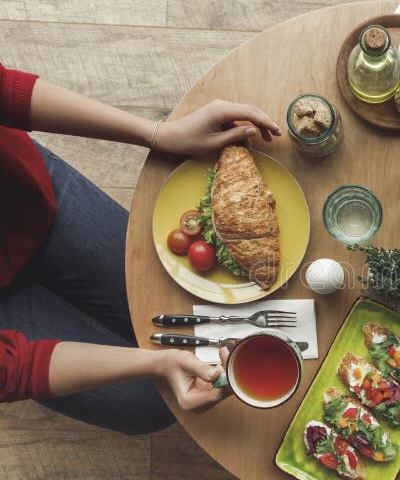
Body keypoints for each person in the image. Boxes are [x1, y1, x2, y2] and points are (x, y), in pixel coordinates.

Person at [0, 61, 281, 434]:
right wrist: (155, 365)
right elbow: (12, 368)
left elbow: (5, 89)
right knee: (154, 402)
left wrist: (160, 133)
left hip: (26, 199)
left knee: (172, 299)